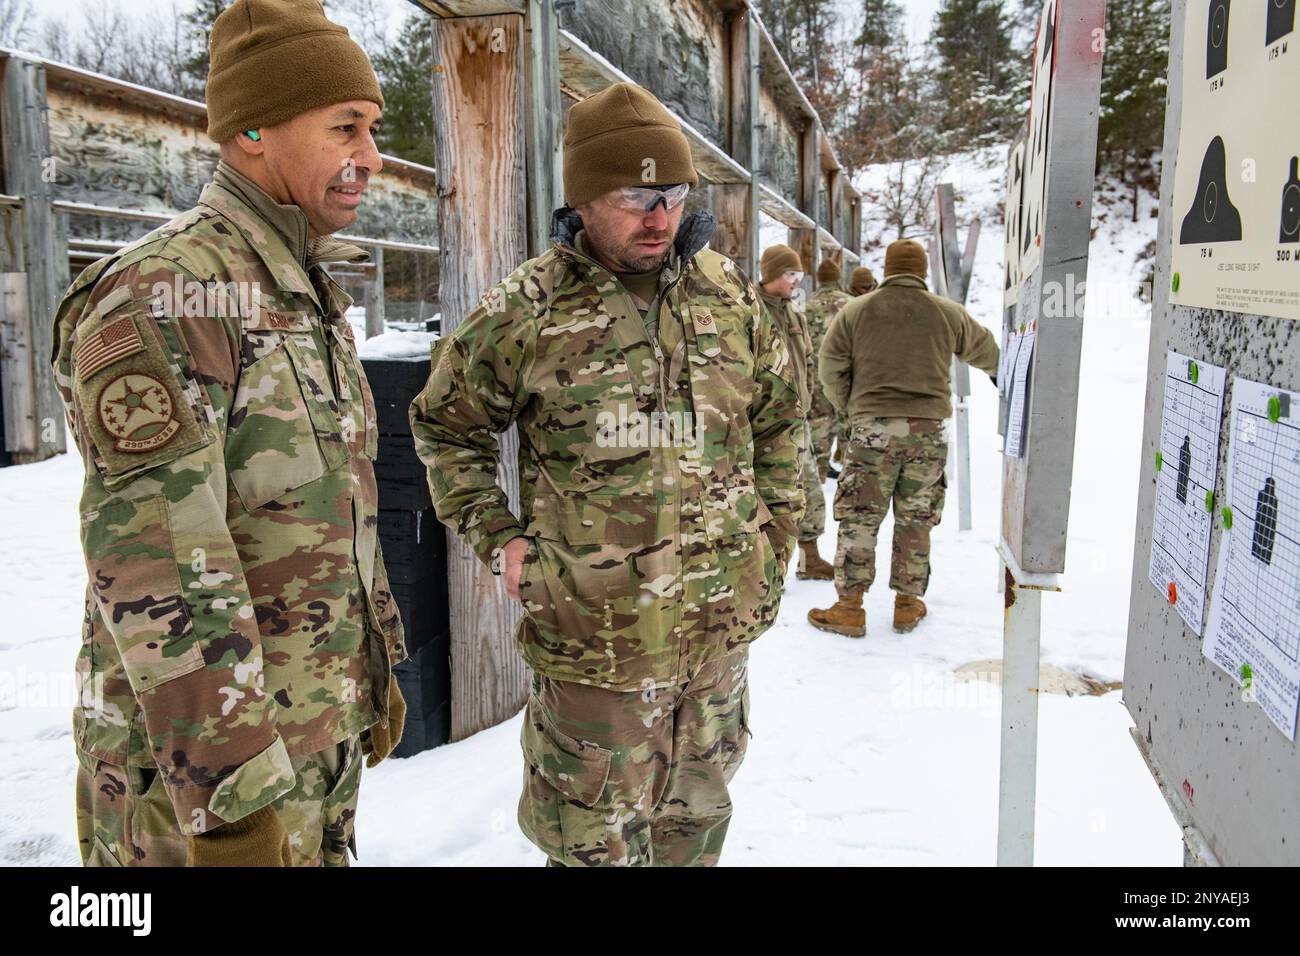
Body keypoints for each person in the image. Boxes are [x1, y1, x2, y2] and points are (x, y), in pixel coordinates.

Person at [409, 82, 804, 867]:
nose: (659, 216)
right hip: (595, 644)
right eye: (634, 195)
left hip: (718, 637)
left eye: (672, 193)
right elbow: (445, 427)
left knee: (696, 820)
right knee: (588, 842)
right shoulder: (527, 310)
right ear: (583, 199)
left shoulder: (728, 295)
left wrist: (777, 528)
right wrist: (501, 539)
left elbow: (782, 418)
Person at [52, 0, 405, 867]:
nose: (371, 157)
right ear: (252, 130)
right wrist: (233, 812)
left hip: (298, 750)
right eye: (347, 128)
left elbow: (319, 508)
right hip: (204, 795)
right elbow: (161, 561)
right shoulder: (169, 291)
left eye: (373, 129)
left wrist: (369, 666)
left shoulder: (294, 289)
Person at [808, 239, 998, 637]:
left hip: (872, 429)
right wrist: (1001, 378)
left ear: (889, 269)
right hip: (928, 432)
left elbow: (829, 367)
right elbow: (988, 353)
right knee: (916, 518)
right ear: (923, 271)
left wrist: (850, 408)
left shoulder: (856, 310)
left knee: (860, 516)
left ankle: (849, 608)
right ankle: (908, 605)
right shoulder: (947, 313)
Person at [756, 245, 829, 580]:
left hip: (797, 420)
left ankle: (809, 557)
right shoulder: (750, 310)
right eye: (790, 274)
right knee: (768, 496)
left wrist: (809, 397)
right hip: (762, 425)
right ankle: (766, 565)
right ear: (771, 274)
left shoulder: (795, 314)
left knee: (809, 492)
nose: (796, 281)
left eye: (799, 275)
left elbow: (809, 361)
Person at [803, 258, 853, 484]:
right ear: (838, 279)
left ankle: (819, 470)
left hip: (816, 373)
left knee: (819, 422)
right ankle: (848, 467)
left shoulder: (807, 306)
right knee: (848, 420)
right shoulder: (852, 305)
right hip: (846, 374)